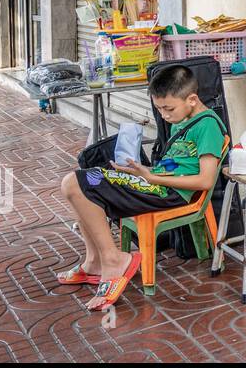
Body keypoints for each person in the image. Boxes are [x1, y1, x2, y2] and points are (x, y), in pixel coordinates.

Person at [55, 64, 226, 310]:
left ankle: (113, 259)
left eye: (168, 109)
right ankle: (94, 261)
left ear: (192, 99)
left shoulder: (207, 126)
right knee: (79, 183)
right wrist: (140, 172)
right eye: (159, 109)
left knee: (76, 184)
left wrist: (152, 178)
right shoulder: (182, 118)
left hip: (170, 194)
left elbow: (205, 181)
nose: (165, 115)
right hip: (154, 184)